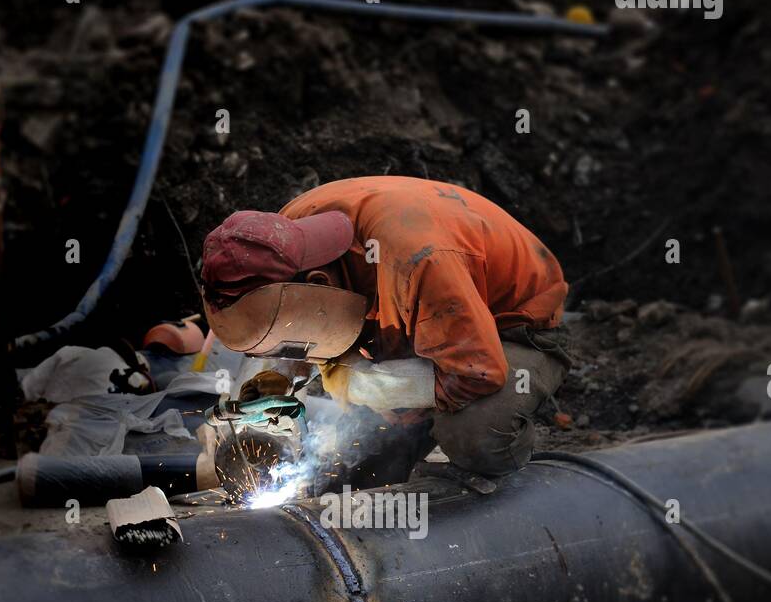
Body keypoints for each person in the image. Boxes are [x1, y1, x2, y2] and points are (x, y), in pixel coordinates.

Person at [199, 176, 571, 486]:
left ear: (316, 284)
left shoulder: (417, 261)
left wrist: (361, 384)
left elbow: (477, 374)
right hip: (428, 317)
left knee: (473, 436)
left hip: (510, 329)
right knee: (357, 463)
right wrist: (272, 377)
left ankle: (523, 489)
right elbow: (286, 318)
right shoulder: (276, 242)